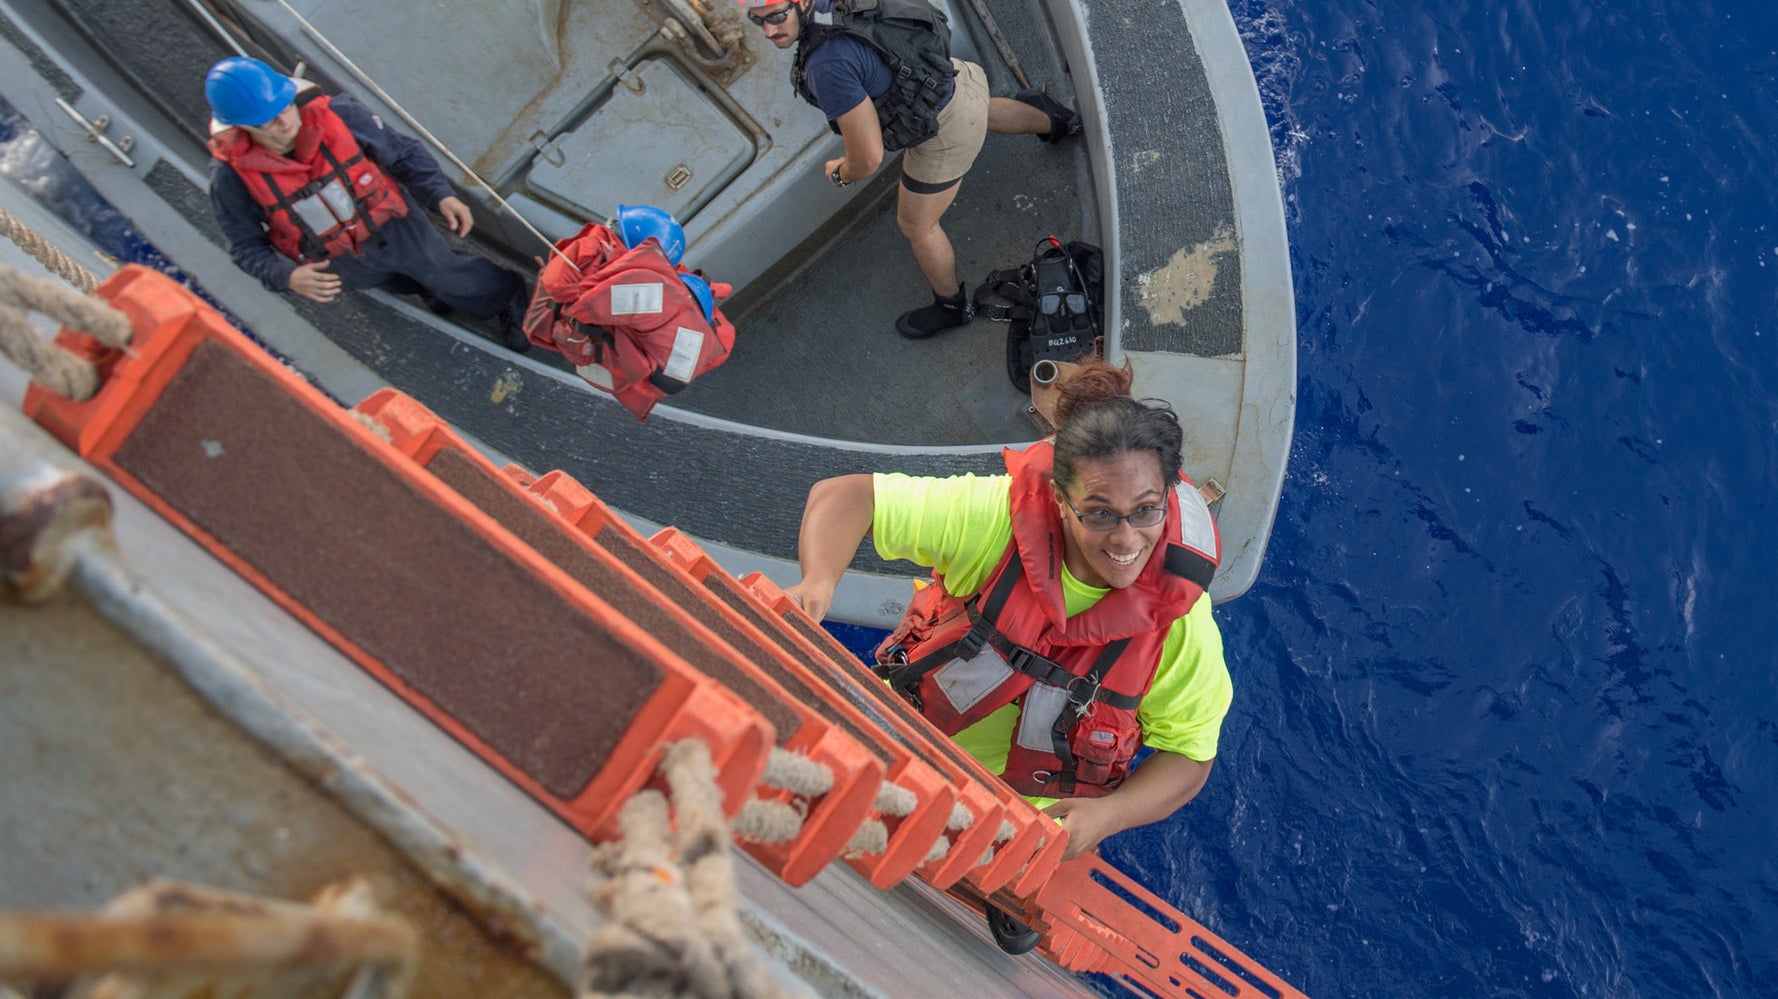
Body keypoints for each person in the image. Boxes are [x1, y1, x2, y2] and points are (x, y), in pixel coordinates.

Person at [783, 358, 1230, 952]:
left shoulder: (1181, 623)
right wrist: (817, 583)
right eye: (1099, 512)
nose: (1126, 541)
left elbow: (1190, 756)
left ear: (1169, 498)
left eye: (1145, 511)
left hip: (1024, 818)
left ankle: (1015, 876)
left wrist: (1109, 817)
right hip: (897, 738)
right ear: (1059, 499)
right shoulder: (997, 519)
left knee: (1013, 917)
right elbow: (846, 498)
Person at [739, 0, 1081, 339]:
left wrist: (841, 173)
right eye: (758, 22)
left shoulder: (826, 65)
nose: (770, 31)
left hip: (943, 134)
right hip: (956, 76)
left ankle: (951, 307)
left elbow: (868, 157)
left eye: (777, 17)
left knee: (916, 223)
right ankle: (1056, 119)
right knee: (979, 111)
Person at [203, 56, 530, 352]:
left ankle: (506, 294)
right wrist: (285, 276)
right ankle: (429, 290)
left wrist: (439, 193)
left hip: (394, 227)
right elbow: (245, 246)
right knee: (396, 281)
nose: (285, 122)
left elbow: (403, 152)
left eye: (285, 106)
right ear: (240, 128)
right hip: (339, 259)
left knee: (442, 271)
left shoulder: (340, 115)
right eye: (267, 122)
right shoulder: (230, 178)